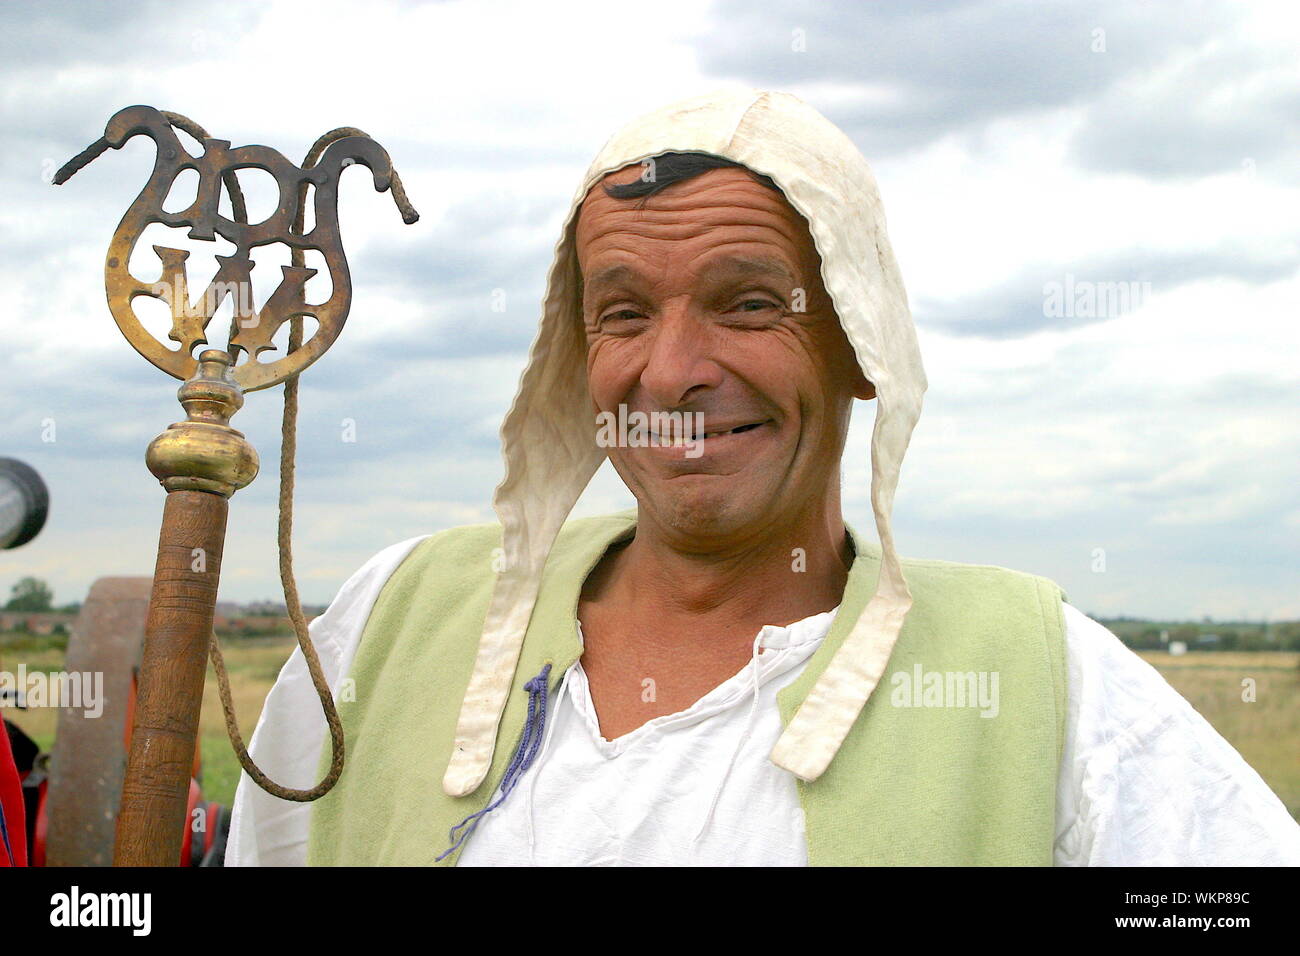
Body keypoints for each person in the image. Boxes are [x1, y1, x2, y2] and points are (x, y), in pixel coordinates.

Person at [228, 89, 1300, 866]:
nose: (676, 372)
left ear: (860, 345)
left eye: (748, 303)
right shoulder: (398, 619)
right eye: (624, 311)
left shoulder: (1039, 681)